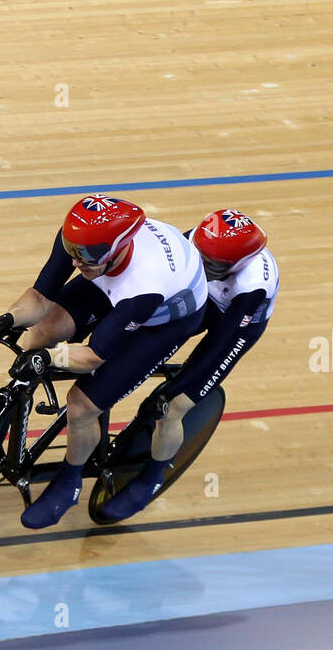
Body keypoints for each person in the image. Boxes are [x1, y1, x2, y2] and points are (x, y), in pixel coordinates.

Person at [0, 194, 208, 528]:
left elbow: (93, 355)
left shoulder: (145, 282)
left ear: (120, 246)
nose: (76, 261)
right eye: (73, 251)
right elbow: (40, 298)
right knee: (42, 331)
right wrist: (8, 319)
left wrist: (50, 357)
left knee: (81, 406)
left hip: (160, 321)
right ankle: (15, 404)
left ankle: (69, 482)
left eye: (87, 254)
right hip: (110, 281)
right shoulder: (84, 241)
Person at [98, 208, 280, 521]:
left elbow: (221, 344)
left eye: (214, 265)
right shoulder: (200, 240)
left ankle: (153, 477)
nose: (203, 265)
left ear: (238, 265)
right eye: (201, 256)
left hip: (236, 320)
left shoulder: (253, 285)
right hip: (196, 296)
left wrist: (182, 388)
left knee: (173, 405)